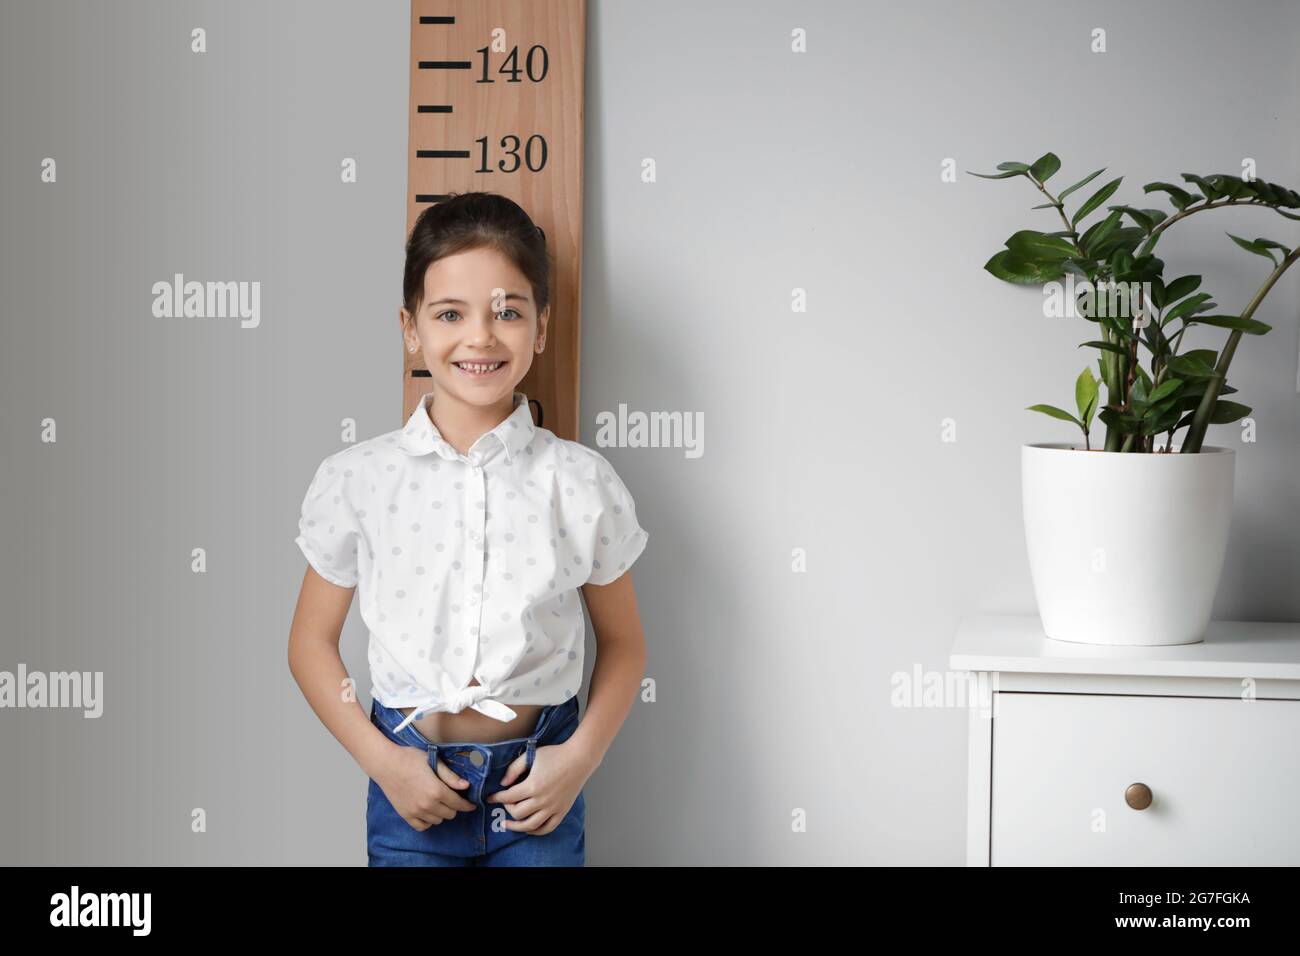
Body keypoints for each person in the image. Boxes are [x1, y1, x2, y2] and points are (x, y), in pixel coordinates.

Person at [287, 192, 649, 866]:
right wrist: (385, 766)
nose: (480, 337)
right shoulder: (357, 478)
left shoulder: (580, 482)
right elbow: (310, 644)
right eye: (450, 313)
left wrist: (580, 760)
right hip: (410, 792)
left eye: (508, 312)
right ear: (410, 328)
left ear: (542, 327)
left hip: (538, 790)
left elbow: (625, 644)